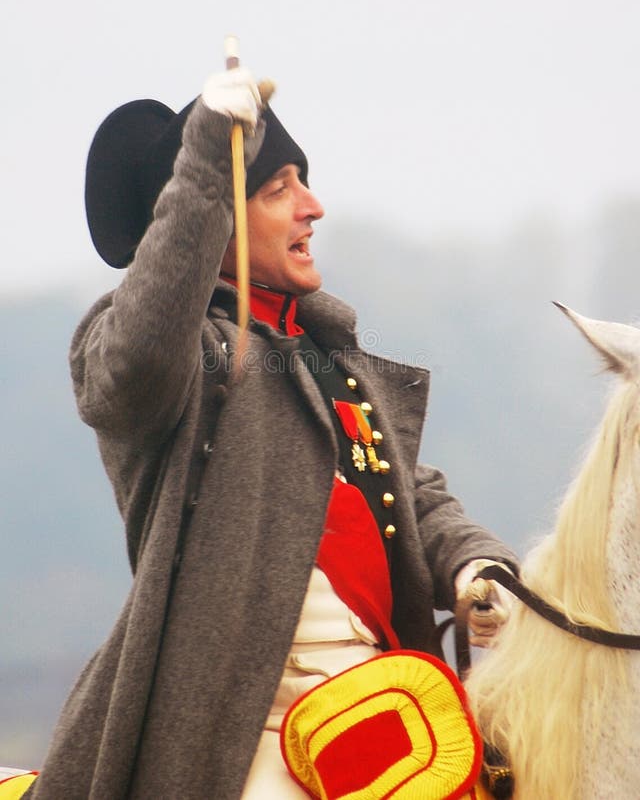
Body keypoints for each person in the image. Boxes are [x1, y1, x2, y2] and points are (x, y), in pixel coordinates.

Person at [26, 66, 518, 799]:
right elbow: (136, 359)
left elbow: (412, 496)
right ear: (214, 221)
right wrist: (198, 168)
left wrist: (475, 568)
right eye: (278, 189)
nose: (313, 207)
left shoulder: (325, 358)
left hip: (384, 702)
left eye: (304, 183)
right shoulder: (173, 354)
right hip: (240, 731)